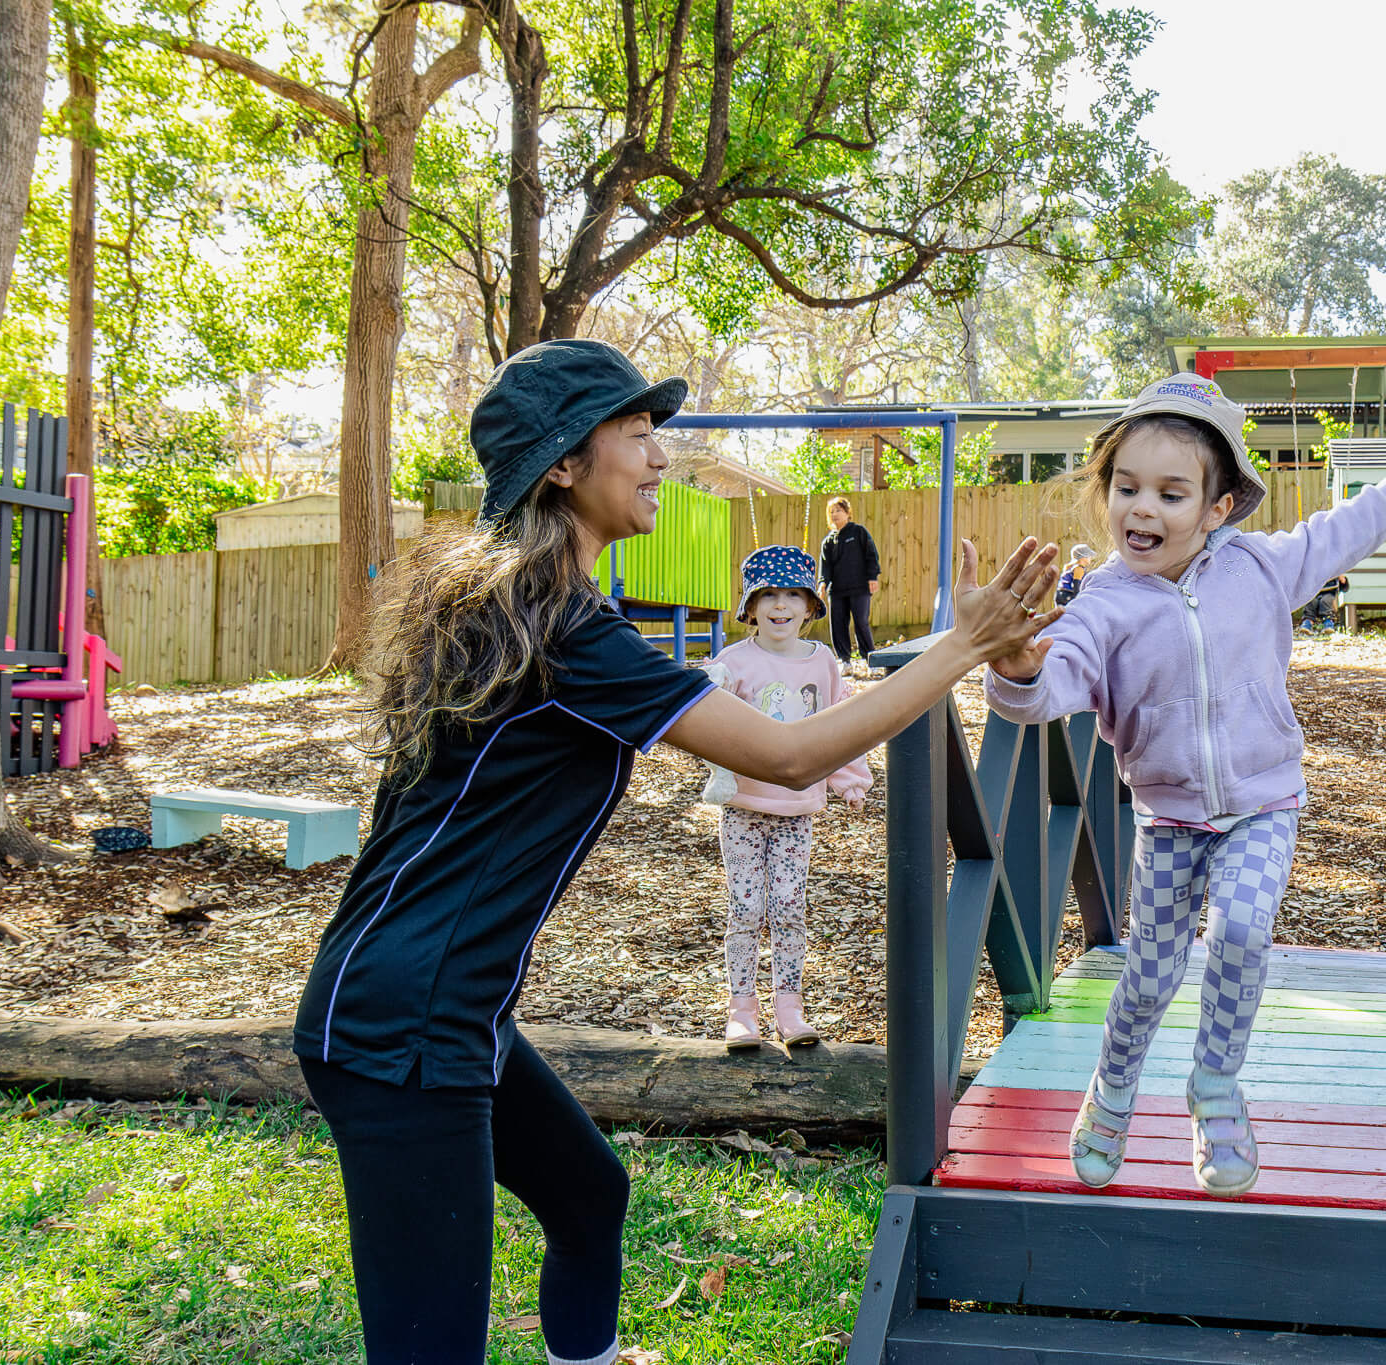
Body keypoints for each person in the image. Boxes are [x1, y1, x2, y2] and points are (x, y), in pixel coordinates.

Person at [292, 338, 1063, 1365]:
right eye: (638, 435)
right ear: (564, 464)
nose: (660, 458)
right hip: (404, 1028)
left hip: (433, 1002)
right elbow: (788, 760)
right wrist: (959, 650)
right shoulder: (563, 631)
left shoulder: (531, 616)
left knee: (587, 1194)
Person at [982, 372, 1386, 1197]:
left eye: (1170, 492)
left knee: (1240, 933)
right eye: (1126, 488)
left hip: (1264, 804)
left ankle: (1216, 1088)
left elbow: (1339, 536)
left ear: (1218, 506)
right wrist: (1019, 666)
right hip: (1166, 820)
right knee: (1150, 974)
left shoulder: (1260, 569)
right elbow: (1054, 689)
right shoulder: (1101, 606)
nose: (1142, 510)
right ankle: (1113, 1087)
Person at [701, 544, 871, 1050]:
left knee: (791, 905)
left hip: (798, 809)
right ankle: (741, 1009)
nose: (781, 605)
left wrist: (849, 778)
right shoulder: (733, 662)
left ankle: (790, 1006)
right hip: (745, 809)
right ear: (750, 607)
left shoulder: (822, 661)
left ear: (811, 606)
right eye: (768, 594)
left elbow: (838, 722)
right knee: (747, 908)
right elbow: (711, 725)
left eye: (793, 594)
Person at [819, 495, 881, 667]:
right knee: (838, 625)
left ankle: (870, 659)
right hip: (837, 591)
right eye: (831, 512)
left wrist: (872, 577)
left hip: (859, 587)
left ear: (847, 513)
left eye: (838, 510)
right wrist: (822, 584)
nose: (835, 514)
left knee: (861, 622)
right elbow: (825, 568)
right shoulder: (828, 542)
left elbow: (871, 555)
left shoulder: (858, 532)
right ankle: (845, 661)